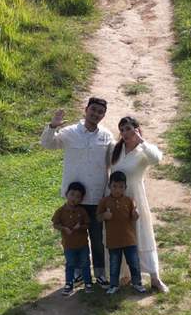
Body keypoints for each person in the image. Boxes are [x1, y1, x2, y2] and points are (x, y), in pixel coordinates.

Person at [41, 97, 113, 285]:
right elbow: (48, 144)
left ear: (103, 115)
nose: (96, 114)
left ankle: (100, 274)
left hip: (97, 196)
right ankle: (79, 273)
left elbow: (113, 161)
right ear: (86, 109)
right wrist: (52, 126)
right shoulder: (70, 132)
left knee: (98, 239)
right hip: (75, 199)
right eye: (93, 109)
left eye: (100, 112)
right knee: (75, 240)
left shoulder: (106, 135)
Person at [110, 116, 168, 292]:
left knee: (142, 235)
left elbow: (157, 159)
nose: (125, 133)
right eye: (122, 130)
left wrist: (141, 140)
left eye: (128, 129)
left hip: (135, 197)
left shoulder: (144, 151)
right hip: (115, 199)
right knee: (118, 235)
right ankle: (124, 274)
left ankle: (154, 278)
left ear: (137, 129)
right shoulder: (116, 149)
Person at [97, 170, 144, 294]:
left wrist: (136, 214)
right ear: (109, 186)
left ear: (125, 187)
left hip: (129, 239)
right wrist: (104, 216)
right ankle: (114, 285)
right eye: (114, 186)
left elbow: (135, 216)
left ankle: (137, 283)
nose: (117, 190)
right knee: (114, 264)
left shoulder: (129, 200)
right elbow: (98, 217)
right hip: (113, 240)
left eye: (121, 187)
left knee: (134, 262)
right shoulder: (104, 201)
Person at [52, 181, 91, 296]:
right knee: (70, 264)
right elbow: (55, 224)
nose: (74, 198)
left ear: (81, 199)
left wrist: (81, 227)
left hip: (82, 244)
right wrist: (63, 228)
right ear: (66, 194)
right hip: (68, 245)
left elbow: (88, 224)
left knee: (85, 263)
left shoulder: (82, 211)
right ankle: (69, 283)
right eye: (72, 194)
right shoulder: (60, 211)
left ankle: (88, 283)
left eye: (78, 196)